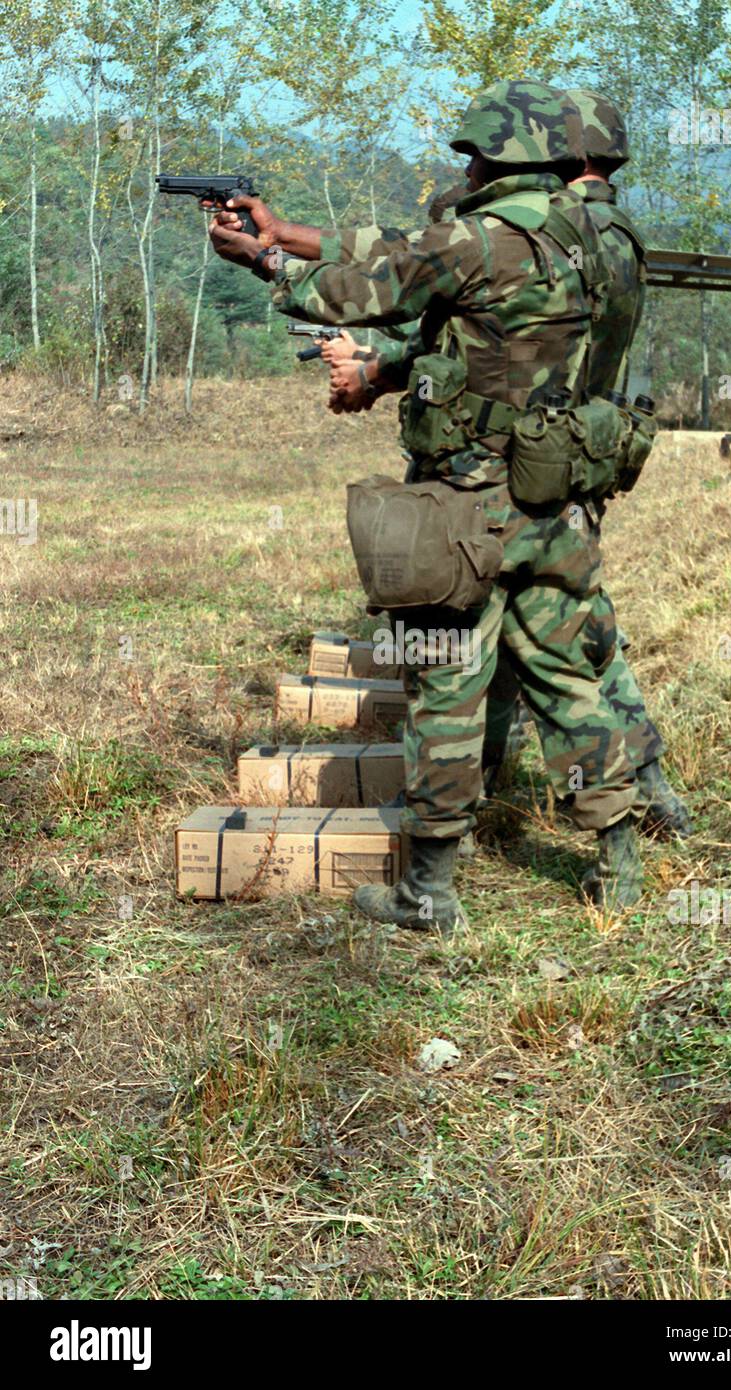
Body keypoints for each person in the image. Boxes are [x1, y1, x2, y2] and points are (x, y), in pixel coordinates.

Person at [208, 79, 646, 928]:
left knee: (445, 684)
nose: (468, 164)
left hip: (464, 506)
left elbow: (355, 292)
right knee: (568, 683)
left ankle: (430, 892)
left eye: (475, 152)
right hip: (555, 503)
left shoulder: (478, 240)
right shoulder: (593, 238)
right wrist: (290, 229)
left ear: (494, 157)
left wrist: (265, 259)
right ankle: (619, 865)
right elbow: (405, 254)